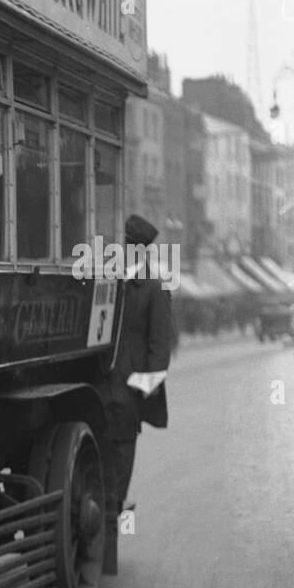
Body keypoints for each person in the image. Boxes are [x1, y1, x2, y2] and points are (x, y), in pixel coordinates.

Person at [101, 214, 173, 510]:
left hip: (128, 389)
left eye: (129, 246)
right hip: (101, 380)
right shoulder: (109, 280)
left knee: (120, 454)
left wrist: (143, 386)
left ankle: (112, 515)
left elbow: (161, 345)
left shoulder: (154, 288)